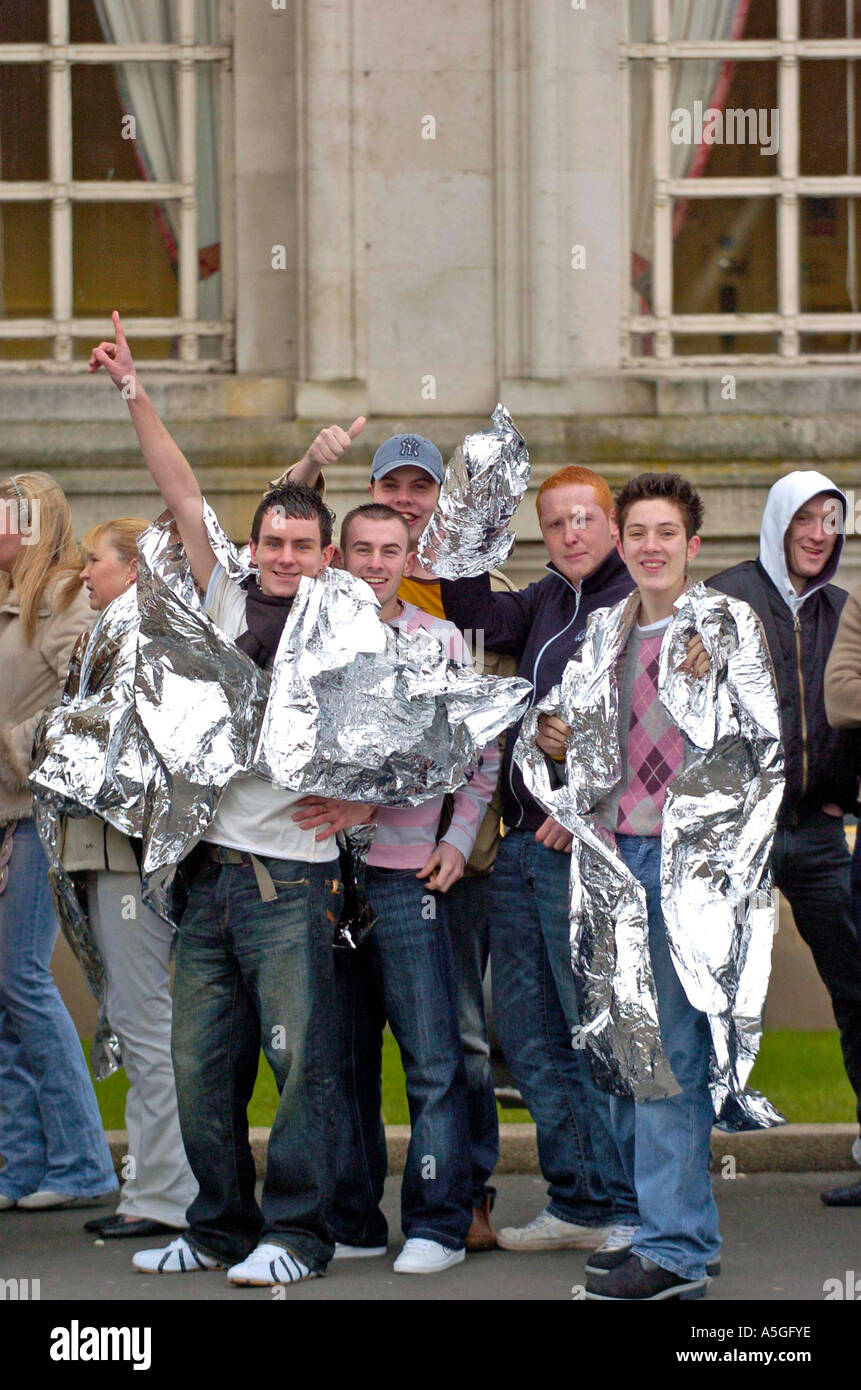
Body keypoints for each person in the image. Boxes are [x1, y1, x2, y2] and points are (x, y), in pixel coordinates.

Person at [88, 312, 372, 1287]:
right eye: (274, 541)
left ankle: (296, 1235)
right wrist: (134, 389)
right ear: (251, 547)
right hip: (207, 880)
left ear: (325, 556)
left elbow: (408, 737)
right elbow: (180, 486)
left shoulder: (347, 631)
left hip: (291, 886)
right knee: (203, 1070)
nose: (287, 555)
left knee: (300, 1075)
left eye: (303, 544)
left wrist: (364, 809)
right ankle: (214, 1230)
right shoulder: (220, 598)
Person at [535, 472, 773, 1300]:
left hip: (688, 871)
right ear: (619, 542)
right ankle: (682, 1236)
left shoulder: (726, 627)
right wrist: (553, 734)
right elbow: (574, 741)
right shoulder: (602, 633)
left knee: (668, 1057)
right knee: (629, 1052)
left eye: (664, 532)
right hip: (613, 864)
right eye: (635, 531)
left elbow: (761, 746)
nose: (648, 546)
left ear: (692, 546)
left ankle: (670, 1254)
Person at [285, 425, 514, 1249]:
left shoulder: (441, 641)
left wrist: (454, 838)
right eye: (362, 548)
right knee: (342, 1064)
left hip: (411, 875)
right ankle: (353, 1217)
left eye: (392, 546)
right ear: (339, 558)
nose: (377, 560)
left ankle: (440, 1221)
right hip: (322, 880)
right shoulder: (310, 642)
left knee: (432, 1058)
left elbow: (473, 755)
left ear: (409, 552)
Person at [438, 466, 640, 1252]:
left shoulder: (635, 603)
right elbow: (470, 611)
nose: (571, 535)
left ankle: (624, 1205)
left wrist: (588, 801)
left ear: (612, 526)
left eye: (585, 520)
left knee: (594, 1029)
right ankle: (577, 1201)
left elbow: (656, 723)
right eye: (555, 524)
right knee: (526, 1036)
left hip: (584, 855)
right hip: (521, 847)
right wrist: (473, 513)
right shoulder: (543, 600)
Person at [710, 473, 861, 1206]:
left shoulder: (842, 609)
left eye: (831, 520)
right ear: (777, 522)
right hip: (737, 834)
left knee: (857, 988)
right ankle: (675, 1183)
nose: (817, 533)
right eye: (803, 518)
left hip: (818, 833)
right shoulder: (724, 595)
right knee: (704, 994)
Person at [71, 518, 198, 1239]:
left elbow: (117, 747)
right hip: (113, 854)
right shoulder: (116, 634)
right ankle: (154, 1184)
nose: (83, 573)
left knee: (147, 1024)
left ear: (132, 568)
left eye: (95, 561)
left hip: (129, 856)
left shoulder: (140, 640)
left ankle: (167, 1194)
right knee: (140, 1017)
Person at [0, 472, 118, 1213]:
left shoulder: (66, 601)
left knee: (21, 980)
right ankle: (20, 1166)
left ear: (35, 522)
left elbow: (91, 707)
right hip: (7, 820)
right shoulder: (12, 603)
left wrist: (16, 744)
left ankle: (82, 1164)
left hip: (42, 819)